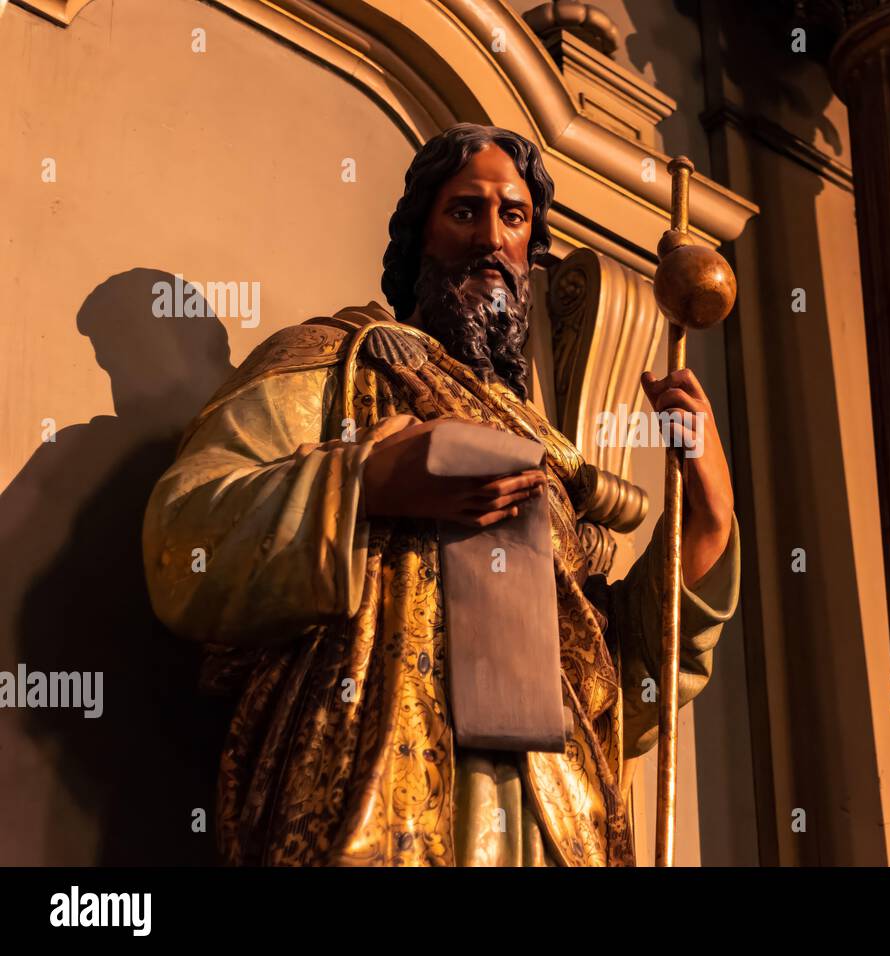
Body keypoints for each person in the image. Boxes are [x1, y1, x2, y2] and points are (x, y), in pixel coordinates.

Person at [141, 123, 740, 866]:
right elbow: (185, 540)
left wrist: (707, 514)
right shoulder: (340, 362)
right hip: (373, 771)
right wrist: (363, 484)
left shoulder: (547, 453)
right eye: (465, 211)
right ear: (419, 234)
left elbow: (614, 688)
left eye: (513, 216)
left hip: (552, 807)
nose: (491, 237)